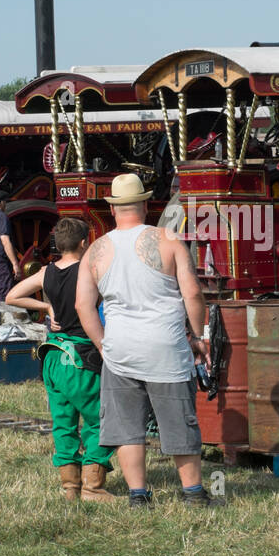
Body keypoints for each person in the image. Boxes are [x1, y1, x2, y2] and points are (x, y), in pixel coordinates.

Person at [75, 173, 217, 508]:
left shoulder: (96, 250)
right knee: (178, 420)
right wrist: (200, 336)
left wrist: (102, 344)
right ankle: (193, 494)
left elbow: (83, 304)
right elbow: (193, 293)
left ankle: (138, 495)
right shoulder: (168, 240)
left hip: (120, 348)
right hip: (165, 346)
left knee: (126, 427)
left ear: (113, 209)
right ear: (145, 204)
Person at [6, 217, 116, 504]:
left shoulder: (46, 272)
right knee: (98, 420)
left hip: (53, 356)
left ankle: (70, 489)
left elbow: (12, 296)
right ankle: (93, 488)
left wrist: (46, 305)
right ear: (83, 243)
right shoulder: (90, 271)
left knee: (64, 423)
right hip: (82, 358)